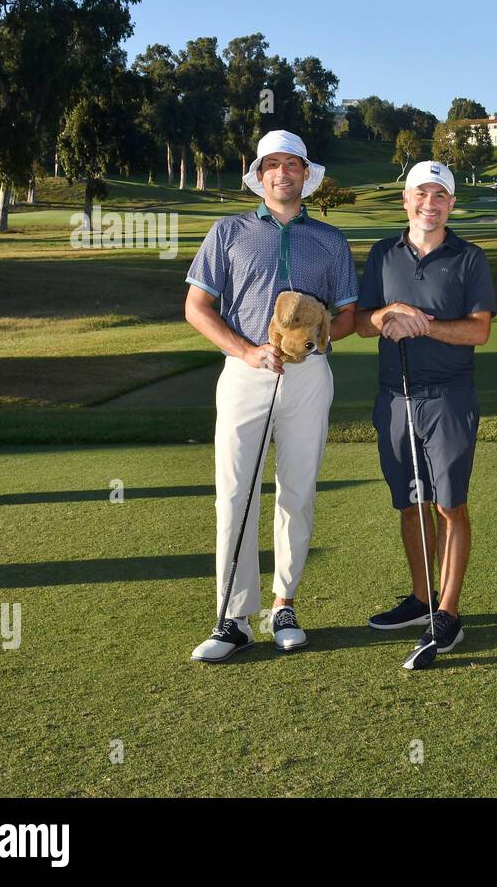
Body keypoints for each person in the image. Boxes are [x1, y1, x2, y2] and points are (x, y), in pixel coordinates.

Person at [186, 130, 358, 661]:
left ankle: (284, 604)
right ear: (259, 176)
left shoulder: (330, 239)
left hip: (310, 376)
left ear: (307, 174)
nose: (283, 173)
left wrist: (316, 337)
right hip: (245, 371)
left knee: (297, 492)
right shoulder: (228, 231)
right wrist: (246, 350)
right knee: (234, 496)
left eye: (293, 165)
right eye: (272, 165)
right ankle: (234, 618)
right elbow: (197, 307)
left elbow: (348, 313)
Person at [357, 161, 495, 661]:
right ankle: (422, 599)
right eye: (421, 194)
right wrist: (386, 315)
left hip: (449, 398)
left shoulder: (470, 258)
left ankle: (449, 613)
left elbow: (480, 330)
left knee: (448, 505)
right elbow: (359, 322)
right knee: (411, 503)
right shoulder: (382, 254)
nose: (429, 204)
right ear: (406, 200)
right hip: (393, 397)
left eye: (440, 196)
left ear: (451, 204)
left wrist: (422, 325)